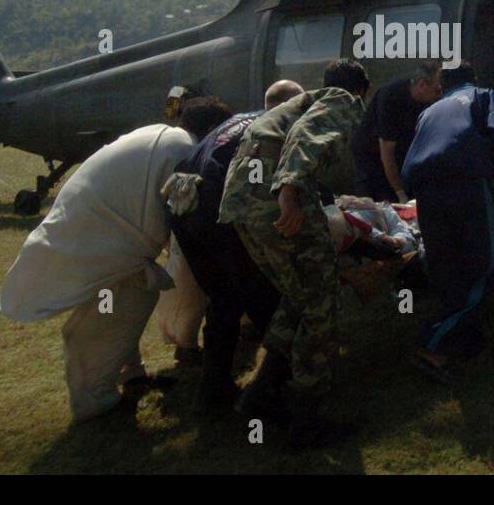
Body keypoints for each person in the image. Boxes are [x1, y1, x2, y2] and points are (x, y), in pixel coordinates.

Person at [0, 122, 196, 422]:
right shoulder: (185, 151)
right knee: (128, 299)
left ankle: (131, 373)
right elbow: (177, 230)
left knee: (124, 292)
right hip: (99, 241)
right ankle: (94, 400)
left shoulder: (162, 135)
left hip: (90, 230)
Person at [218, 59, 369, 448]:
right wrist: (291, 188)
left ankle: (261, 395)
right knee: (321, 302)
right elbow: (309, 135)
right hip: (276, 199)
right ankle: (307, 420)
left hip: (242, 207)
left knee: (300, 297)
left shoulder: (297, 104)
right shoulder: (342, 99)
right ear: (361, 91)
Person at [166, 80, 304, 416]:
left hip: (181, 204)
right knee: (272, 301)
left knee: (224, 299)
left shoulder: (239, 120)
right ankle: (272, 397)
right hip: (219, 210)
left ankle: (212, 393)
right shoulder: (279, 129)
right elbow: (286, 185)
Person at [401, 62, 494, 382]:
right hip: (465, 187)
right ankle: (431, 343)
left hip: (425, 193)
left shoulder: (431, 111)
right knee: (485, 267)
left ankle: (468, 340)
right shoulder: (483, 97)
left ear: (442, 86)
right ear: (473, 80)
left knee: (448, 267)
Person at [155, 96, 233, 368]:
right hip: (184, 222)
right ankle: (186, 346)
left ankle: (186, 343)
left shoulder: (171, 141)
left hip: (174, 221)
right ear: (213, 127)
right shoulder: (193, 150)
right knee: (190, 278)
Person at [351, 62, 442, 202]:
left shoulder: (427, 102)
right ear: (422, 85)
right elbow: (387, 151)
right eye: (437, 90)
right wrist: (401, 194)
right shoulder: (391, 96)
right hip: (373, 161)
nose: (440, 95)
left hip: (400, 159)